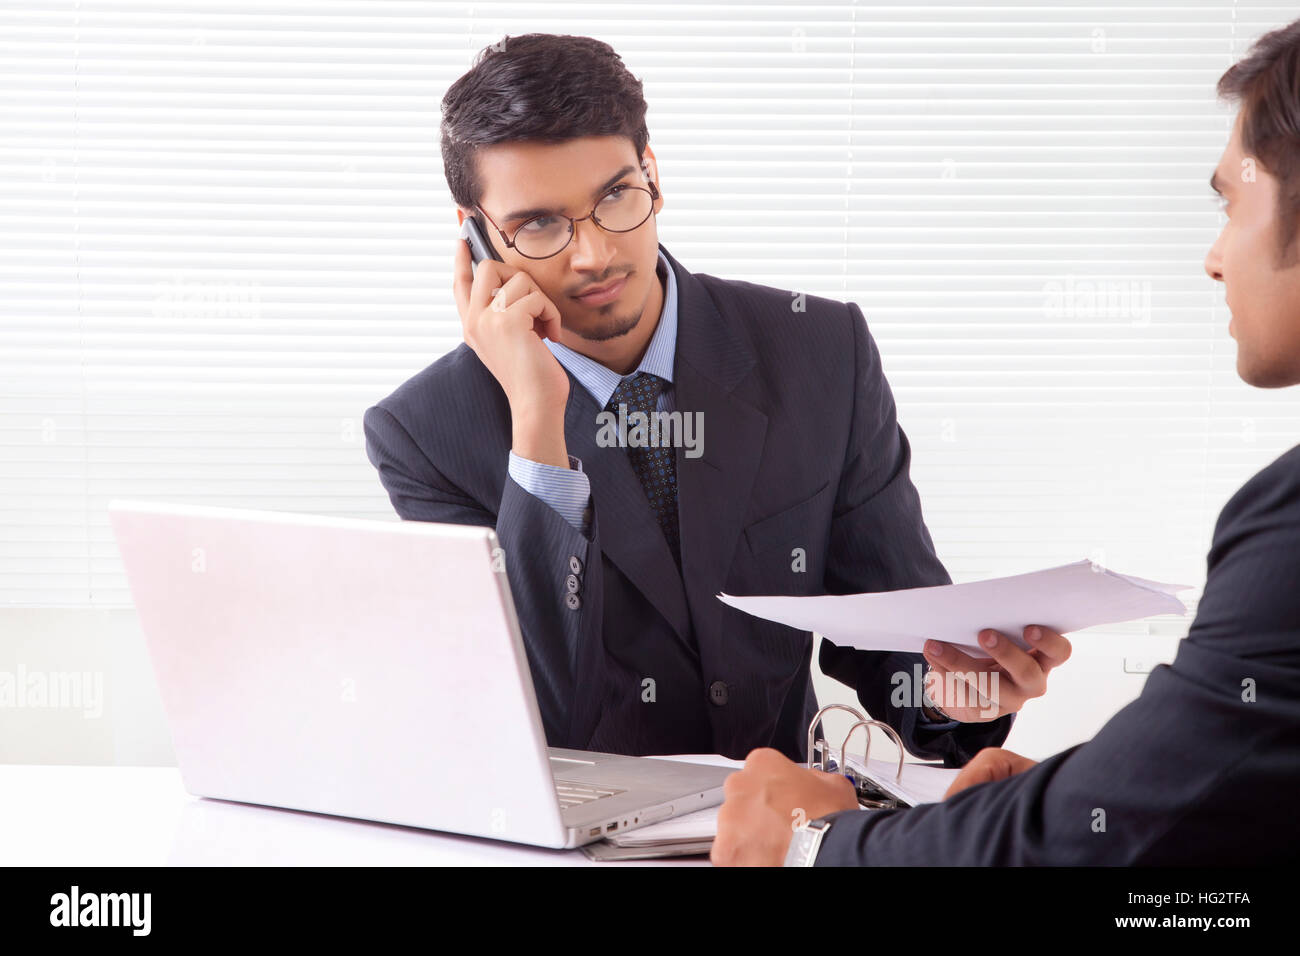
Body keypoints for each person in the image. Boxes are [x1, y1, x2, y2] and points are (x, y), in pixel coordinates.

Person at [363, 33, 1070, 762]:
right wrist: (537, 421)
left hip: (783, 829)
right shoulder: (424, 433)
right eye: (538, 223)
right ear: (476, 239)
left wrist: (961, 692)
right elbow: (535, 709)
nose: (595, 253)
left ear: (654, 176)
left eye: (616, 196)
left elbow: (899, 647)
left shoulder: (819, 351)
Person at [711, 18, 1300, 865]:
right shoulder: (456, 416)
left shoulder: (1288, 524)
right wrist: (1049, 806)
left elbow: (1137, 831)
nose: (1213, 258)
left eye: (1232, 203)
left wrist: (814, 847)